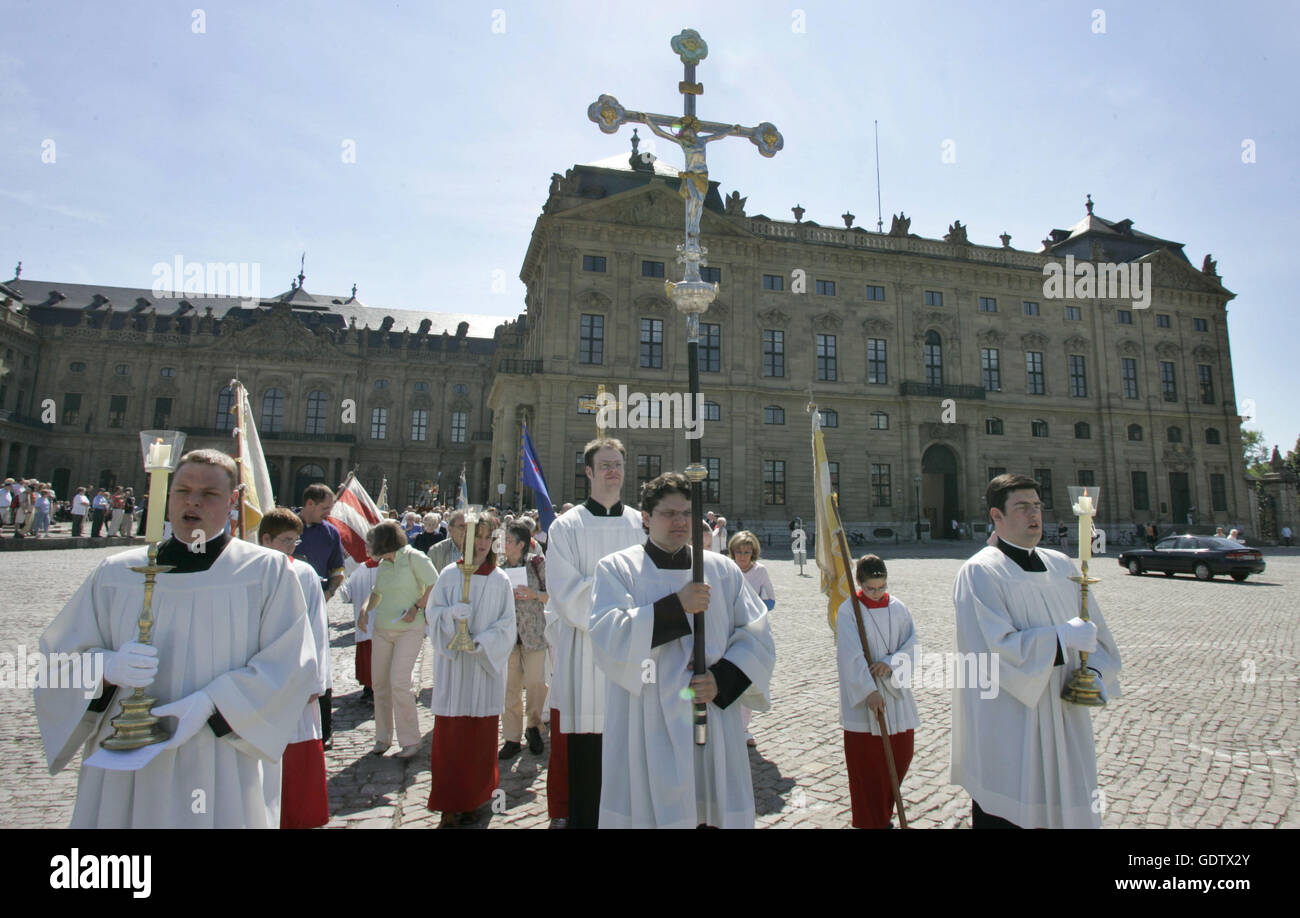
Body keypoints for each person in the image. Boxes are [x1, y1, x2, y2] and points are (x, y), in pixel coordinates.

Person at [34, 448, 316, 827]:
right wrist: (104, 668)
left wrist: (214, 703)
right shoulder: (118, 573)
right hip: (123, 754)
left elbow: (292, 664)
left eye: (209, 494)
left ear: (233, 501)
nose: (193, 502)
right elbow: (58, 659)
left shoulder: (266, 572)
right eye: (183, 491)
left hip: (217, 752)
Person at [589, 472, 776, 828]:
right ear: (646, 517)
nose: (680, 522)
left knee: (710, 809)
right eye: (668, 513)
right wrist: (676, 606)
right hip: (645, 714)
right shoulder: (618, 569)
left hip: (710, 711)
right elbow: (607, 635)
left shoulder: (721, 570)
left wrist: (722, 680)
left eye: (687, 513)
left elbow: (758, 635)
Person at [951, 473, 1122, 829]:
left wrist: (1094, 670)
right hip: (1011, 721)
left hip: (1063, 711)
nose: (1034, 514)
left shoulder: (1061, 564)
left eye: (1038, 506)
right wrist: (1060, 639)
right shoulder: (980, 572)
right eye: (1023, 507)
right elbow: (993, 653)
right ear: (996, 516)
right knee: (1011, 812)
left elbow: (1096, 633)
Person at [545, 437, 645, 829]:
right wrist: (622, 601)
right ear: (587, 471)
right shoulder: (566, 527)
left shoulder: (640, 523)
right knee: (588, 758)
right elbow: (567, 594)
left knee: (629, 751)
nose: (613, 471)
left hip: (630, 658)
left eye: (618, 464)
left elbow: (650, 586)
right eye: (604, 465)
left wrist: (611, 595)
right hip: (584, 656)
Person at [425, 513, 515, 827]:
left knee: (480, 739)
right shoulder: (449, 575)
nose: (481, 544)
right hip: (454, 668)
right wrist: (449, 616)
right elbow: (432, 615)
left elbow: (507, 627)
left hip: (482, 667)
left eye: (488, 538)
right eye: (477, 537)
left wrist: (483, 642)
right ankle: (450, 802)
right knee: (451, 739)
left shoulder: (499, 580)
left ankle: (476, 797)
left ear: (494, 541)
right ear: (465, 538)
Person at [259, 508, 331, 829]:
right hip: (259, 681)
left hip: (299, 679)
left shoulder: (304, 573)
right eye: (285, 541)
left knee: (298, 755)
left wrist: (317, 680)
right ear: (265, 539)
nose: (292, 547)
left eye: (294, 541)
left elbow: (318, 627)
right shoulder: (250, 572)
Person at [836, 554, 919, 829]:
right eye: (871, 588)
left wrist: (892, 662)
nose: (876, 593)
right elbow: (850, 654)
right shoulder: (849, 610)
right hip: (866, 699)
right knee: (868, 768)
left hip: (896, 693)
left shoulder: (899, 608)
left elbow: (912, 644)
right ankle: (870, 822)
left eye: (881, 587)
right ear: (859, 583)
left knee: (900, 756)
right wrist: (867, 690)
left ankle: (883, 814)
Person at [358, 520, 437, 759]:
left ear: (384, 542)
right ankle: (383, 737)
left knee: (399, 683)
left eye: (372, 543)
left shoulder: (415, 558)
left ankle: (411, 740)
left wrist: (416, 606)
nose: (369, 547)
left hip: (410, 629)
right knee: (379, 684)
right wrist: (364, 610)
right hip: (383, 629)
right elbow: (377, 593)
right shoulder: (383, 564)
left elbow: (435, 584)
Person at [294, 483, 346, 746]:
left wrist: (327, 594)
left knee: (320, 666)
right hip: (285, 610)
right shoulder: (287, 528)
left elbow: (338, 570)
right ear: (310, 504)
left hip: (317, 609)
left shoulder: (331, 533)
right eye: (325, 508)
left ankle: (324, 731)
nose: (328, 513)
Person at [498, 522, 550, 759]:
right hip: (509, 638)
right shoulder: (497, 569)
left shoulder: (537, 566)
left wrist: (534, 595)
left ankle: (534, 725)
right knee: (511, 689)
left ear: (521, 544)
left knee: (536, 682)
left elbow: (554, 596)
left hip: (534, 635)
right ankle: (511, 737)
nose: (504, 544)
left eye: (508, 540)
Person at [729, 530, 774, 747]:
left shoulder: (760, 571)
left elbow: (771, 600)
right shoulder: (726, 569)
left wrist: (756, 610)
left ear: (753, 553)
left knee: (746, 678)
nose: (742, 556)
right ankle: (726, 725)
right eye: (738, 552)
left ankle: (743, 728)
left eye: (746, 552)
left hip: (752, 632)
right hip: (728, 630)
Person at [340, 555, 379, 702]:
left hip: (380, 623)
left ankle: (377, 689)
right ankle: (369, 688)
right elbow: (346, 596)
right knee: (367, 658)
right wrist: (340, 578)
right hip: (364, 623)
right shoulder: (359, 570)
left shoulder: (388, 567)